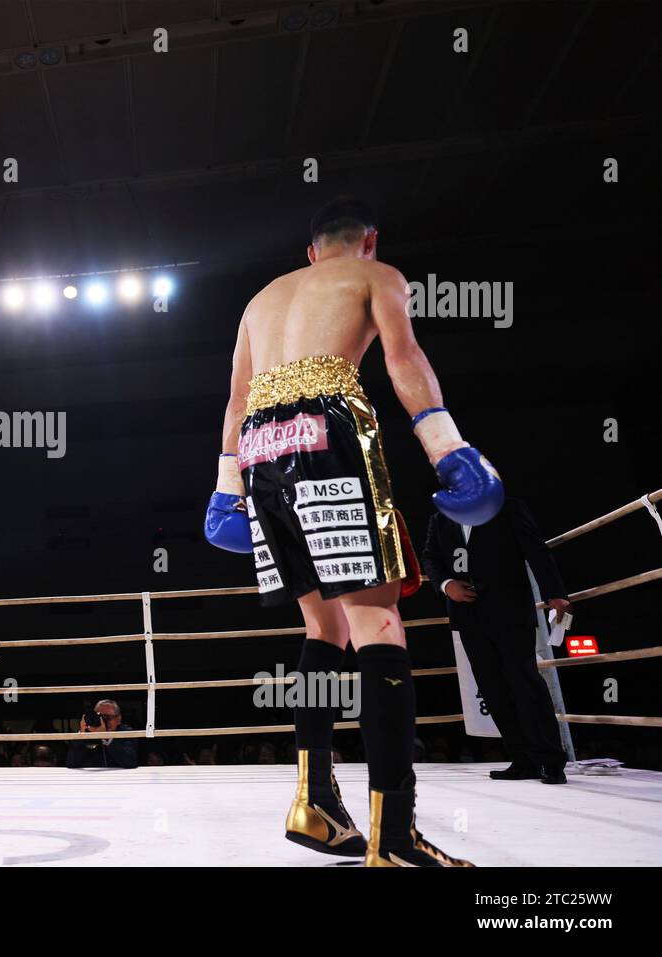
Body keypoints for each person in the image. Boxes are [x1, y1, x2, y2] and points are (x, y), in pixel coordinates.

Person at [205, 197, 503, 866]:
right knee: (379, 627)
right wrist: (449, 449)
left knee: (324, 630)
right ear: (368, 241)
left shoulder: (260, 299)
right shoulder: (378, 276)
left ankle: (314, 806)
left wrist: (226, 492)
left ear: (311, 251)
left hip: (259, 448)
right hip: (326, 434)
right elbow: (403, 362)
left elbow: (235, 401)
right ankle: (394, 836)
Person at [423, 497, 572, 783]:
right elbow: (430, 558)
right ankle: (522, 758)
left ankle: (550, 760)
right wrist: (446, 585)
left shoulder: (506, 506)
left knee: (524, 681)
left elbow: (535, 549)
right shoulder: (440, 518)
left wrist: (555, 593)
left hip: (511, 610)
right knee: (492, 688)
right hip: (467, 615)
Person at [65, 699, 138, 768]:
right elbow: (71, 763)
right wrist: (82, 735)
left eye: (107, 717)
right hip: (92, 779)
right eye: (99, 717)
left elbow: (130, 762)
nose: (103, 721)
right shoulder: (87, 733)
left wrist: (106, 737)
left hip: (118, 778)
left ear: (118, 718)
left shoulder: (126, 732)